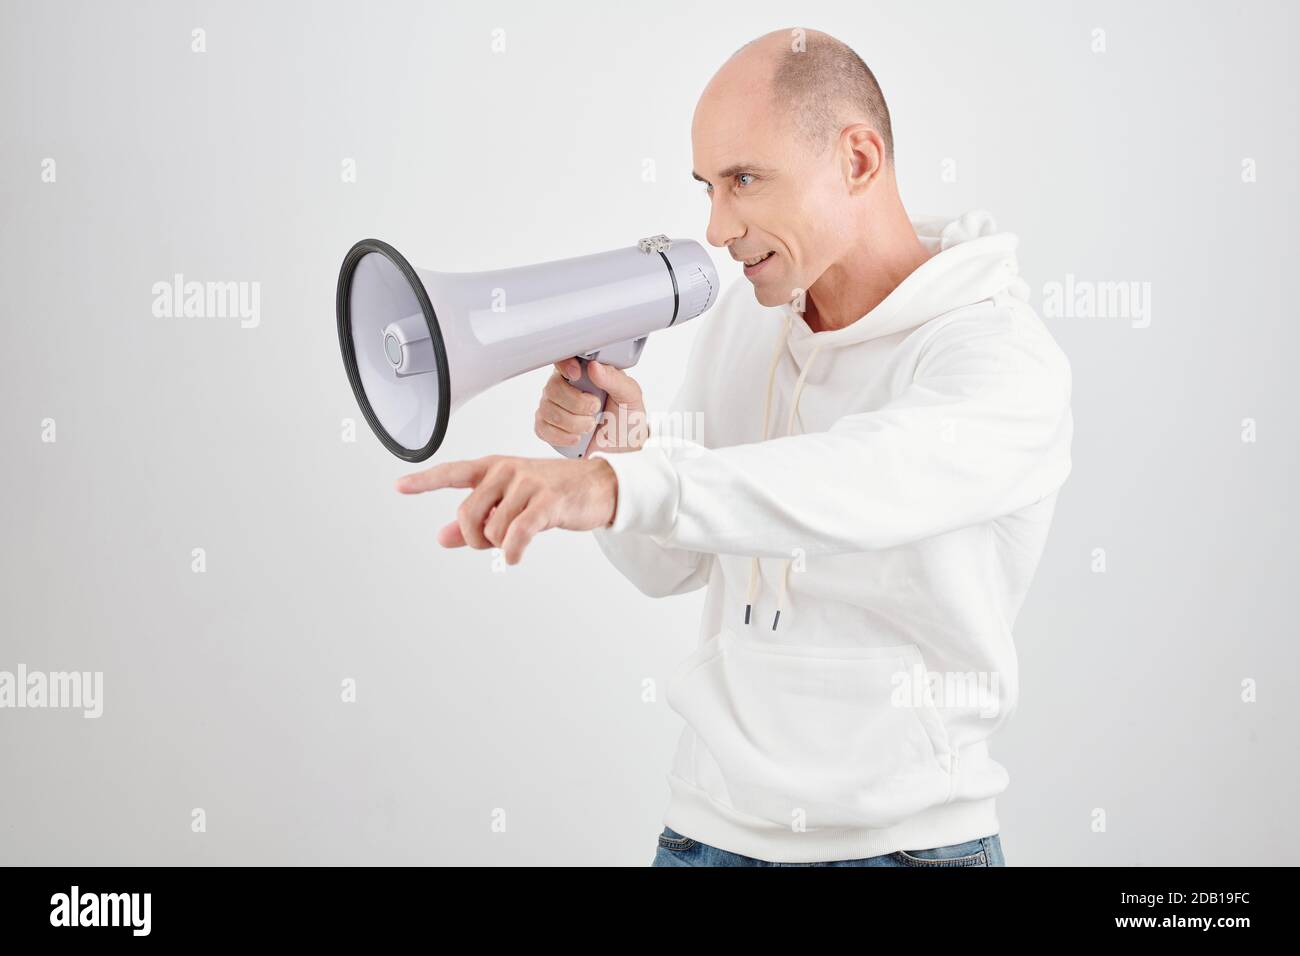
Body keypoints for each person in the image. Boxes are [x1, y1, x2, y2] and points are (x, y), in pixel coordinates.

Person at [395, 28, 1073, 867]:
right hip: (704, 835)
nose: (717, 228)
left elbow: (859, 480)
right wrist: (622, 447)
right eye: (707, 187)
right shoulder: (752, 323)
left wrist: (621, 485)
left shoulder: (998, 358)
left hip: (904, 850)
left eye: (744, 180)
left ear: (858, 160)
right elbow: (668, 566)